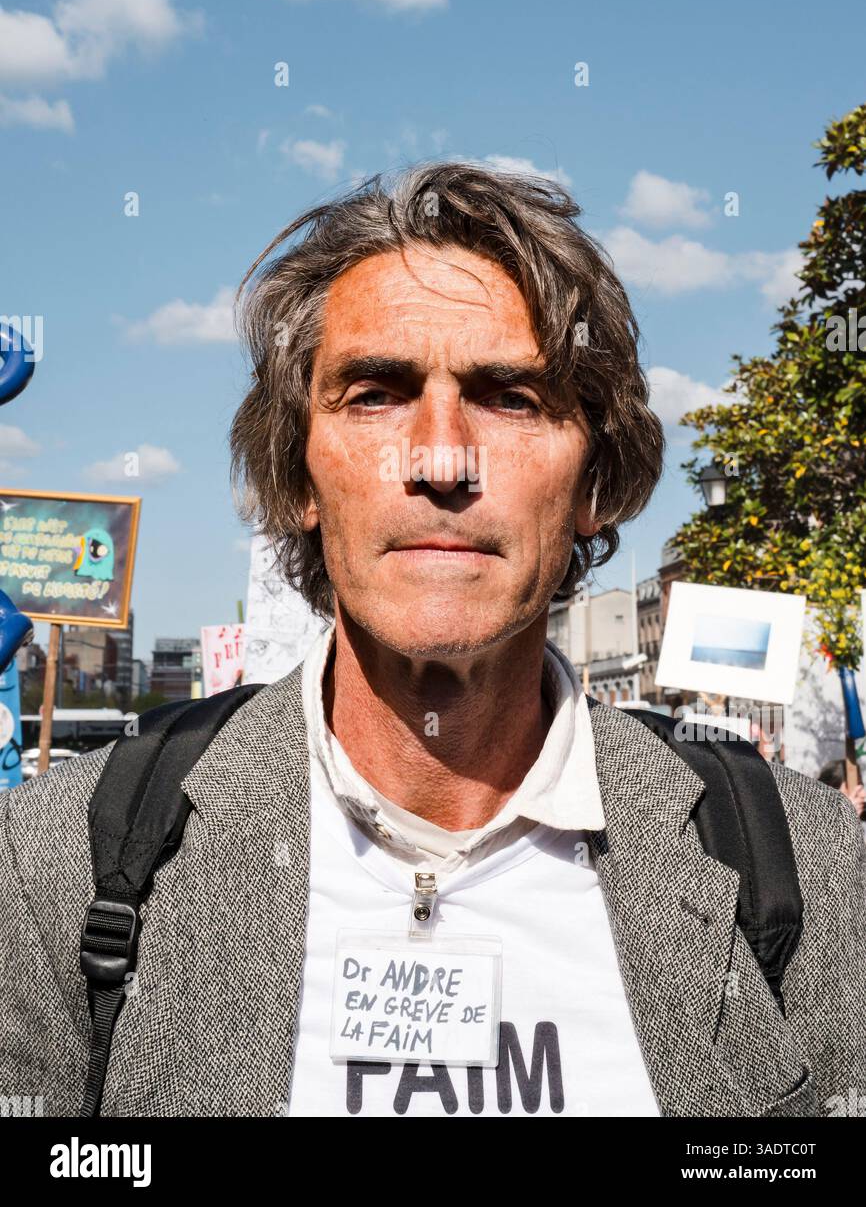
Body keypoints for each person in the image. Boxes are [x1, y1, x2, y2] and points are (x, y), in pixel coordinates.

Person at [2, 162, 866, 1118]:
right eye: (376, 394)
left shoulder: (807, 867)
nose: (443, 459)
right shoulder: (60, 863)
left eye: (509, 397)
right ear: (296, 477)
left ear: (592, 488)